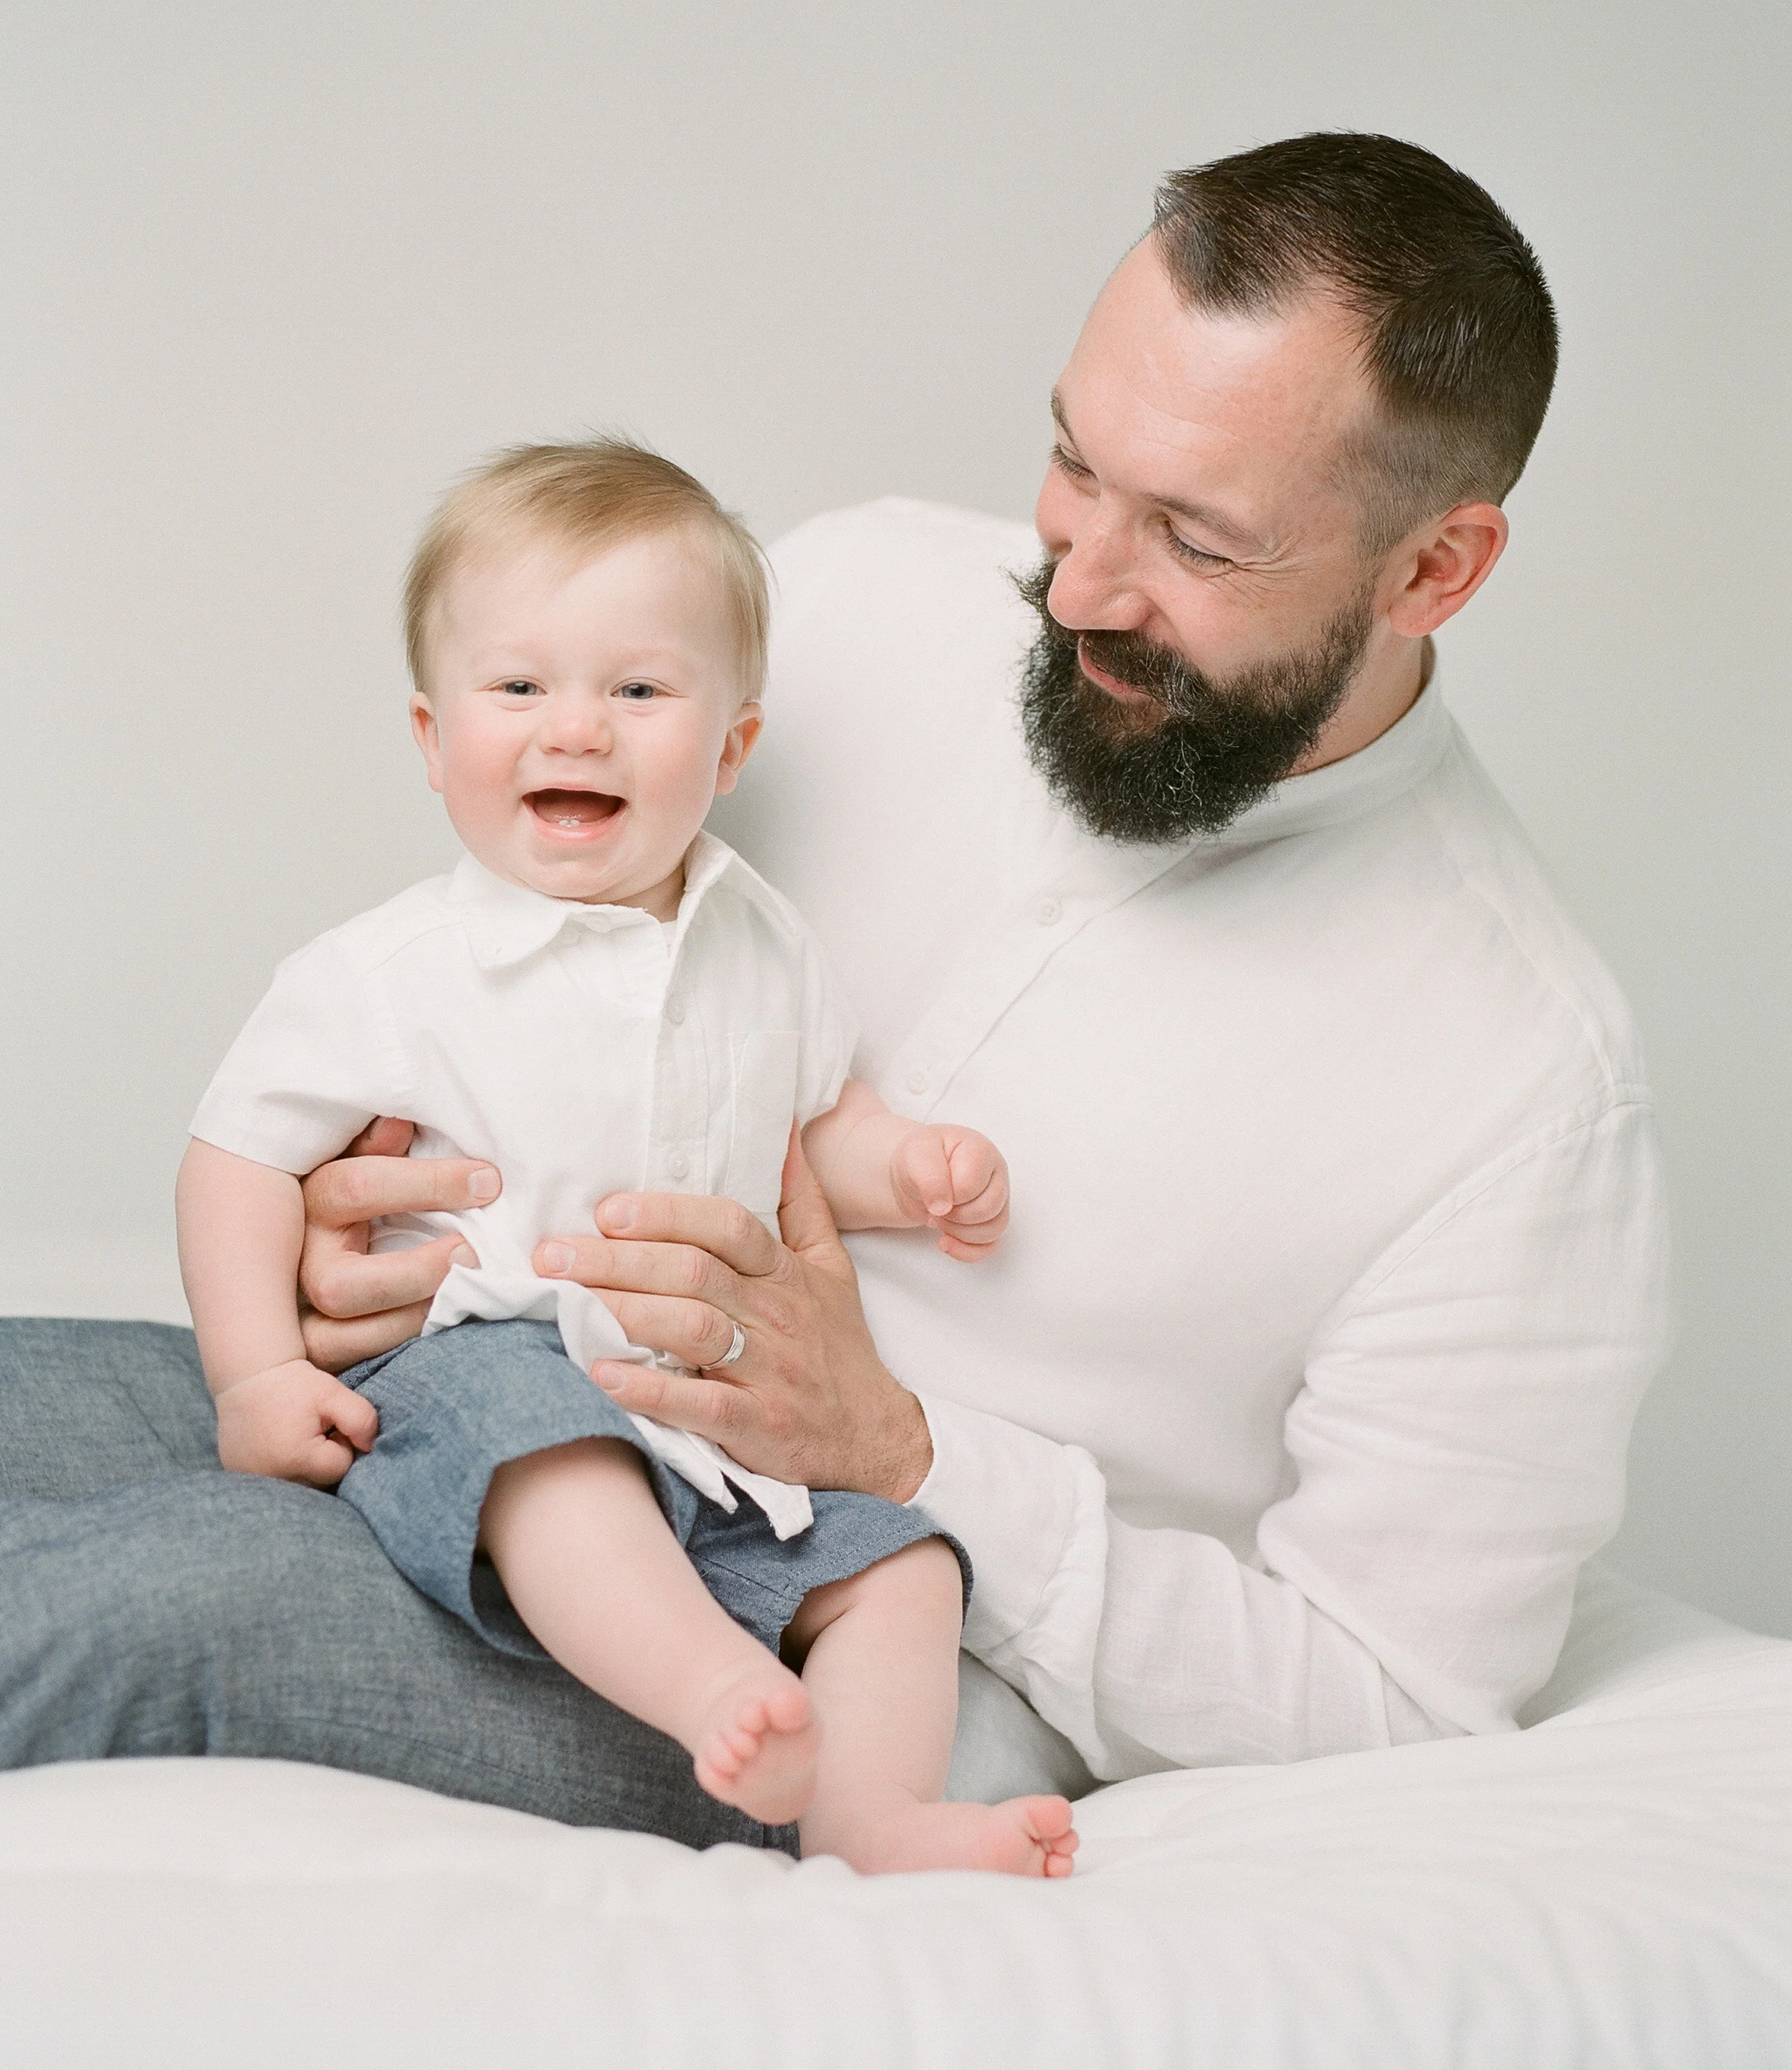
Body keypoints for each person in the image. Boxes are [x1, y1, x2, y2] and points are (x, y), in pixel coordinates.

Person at [0, 130, 1668, 1826]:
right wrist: (345, 1212)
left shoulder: (1523, 1089)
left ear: (1433, 567)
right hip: (457, 1374)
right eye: (1073, 462)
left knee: (138, 1606)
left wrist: (910, 1450)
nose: (1076, 581)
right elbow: (535, 925)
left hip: (782, 1610)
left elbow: (1397, 1688)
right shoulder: (862, 589)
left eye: (1196, 540)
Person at [173, 438, 1074, 1878]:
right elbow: (236, 1157)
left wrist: (905, 1166)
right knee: (554, 1455)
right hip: (477, 1368)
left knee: (902, 1561)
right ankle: (713, 1688)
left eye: (637, 689)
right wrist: (255, 1372)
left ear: (728, 747)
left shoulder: (758, 942)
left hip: (700, 1410)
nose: (575, 729)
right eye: (518, 686)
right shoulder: (396, 969)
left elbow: (802, 1126)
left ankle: (873, 1814)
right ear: (429, 734)